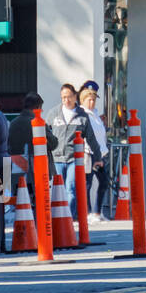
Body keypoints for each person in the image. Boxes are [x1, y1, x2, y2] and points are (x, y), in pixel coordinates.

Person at [47, 83, 101, 215]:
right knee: (57, 190)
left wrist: (98, 157)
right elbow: (45, 133)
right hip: (56, 158)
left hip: (73, 159)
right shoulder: (54, 113)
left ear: (75, 96)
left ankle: (68, 217)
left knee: (70, 188)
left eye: (69, 96)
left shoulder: (82, 115)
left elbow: (91, 137)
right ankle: (58, 217)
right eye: (63, 97)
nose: (66, 100)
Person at [79, 82, 110, 222]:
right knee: (88, 183)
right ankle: (88, 213)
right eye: (89, 100)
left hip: (100, 153)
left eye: (94, 99)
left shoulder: (96, 114)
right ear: (83, 100)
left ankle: (97, 212)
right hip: (88, 152)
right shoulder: (82, 114)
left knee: (104, 182)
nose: (92, 102)